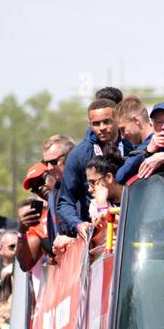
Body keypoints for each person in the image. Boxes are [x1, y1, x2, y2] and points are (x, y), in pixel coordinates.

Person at [58, 95, 134, 237]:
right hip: (96, 236)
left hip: (131, 227)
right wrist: (78, 224)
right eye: (96, 124)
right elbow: (65, 201)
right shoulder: (78, 155)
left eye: (107, 122)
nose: (102, 128)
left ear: (117, 119)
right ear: (90, 124)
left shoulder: (133, 148)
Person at [85, 153, 125, 222]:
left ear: (109, 178)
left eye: (93, 182)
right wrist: (102, 207)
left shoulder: (134, 196)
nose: (89, 189)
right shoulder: (95, 205)